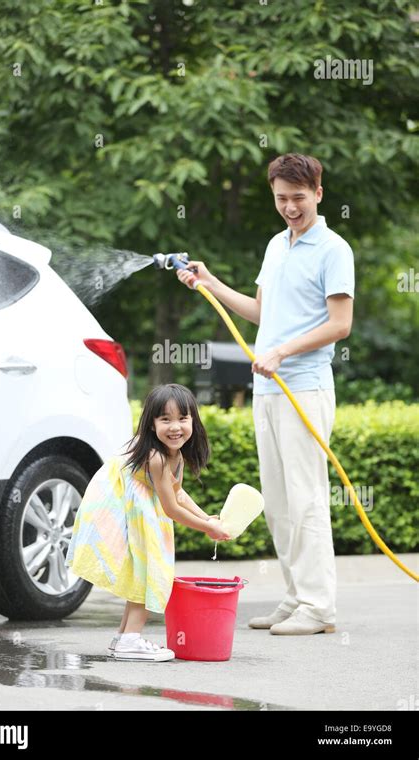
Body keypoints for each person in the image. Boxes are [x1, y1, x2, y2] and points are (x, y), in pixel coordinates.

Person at [177, 153, 354, 636]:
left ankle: (320, 608)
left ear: (318, 193)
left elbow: (340, 324)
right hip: (268, 389)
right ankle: (297, 597)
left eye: (299, 198)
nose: (290, 207)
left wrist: (281, 352)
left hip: (305, 389)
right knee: (276, 501)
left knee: (308, 499)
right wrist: (210, 283)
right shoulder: (277, 244)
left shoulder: (334, 249)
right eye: (282, 198)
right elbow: (260, 310)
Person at [65, 383, 230, 661]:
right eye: (165, 419)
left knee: (142, 575)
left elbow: (177, 492)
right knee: (150, 573)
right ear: (152, 424)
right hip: (137, 517)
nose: (175, 427)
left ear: (193, 421)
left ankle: (124, 637)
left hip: (144, 514)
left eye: (182, 418)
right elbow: (171, 508)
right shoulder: (156, 457)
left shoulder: (172, 454)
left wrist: (207, 517)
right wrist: (207, 528)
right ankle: (131, 639)